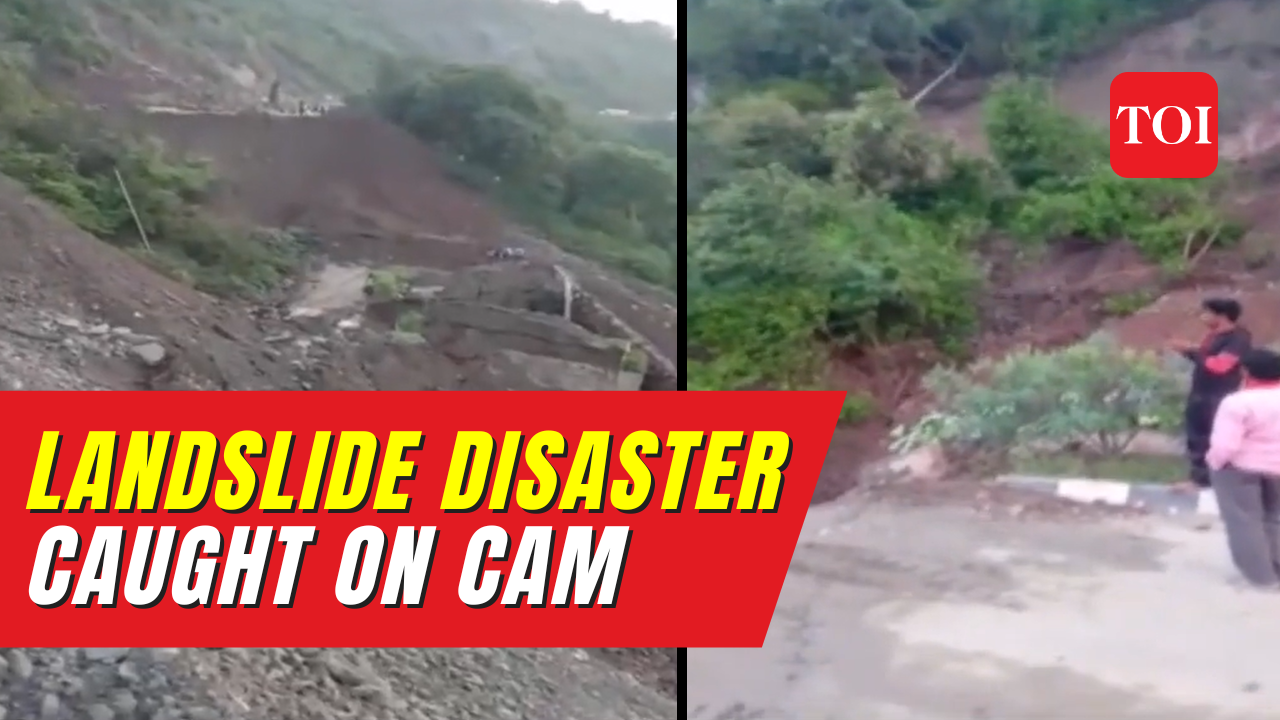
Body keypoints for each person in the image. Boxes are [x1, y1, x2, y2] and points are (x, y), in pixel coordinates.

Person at [1206, 347, 1280, 588]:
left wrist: (1214, 463)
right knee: (1275, 518)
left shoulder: (1237, 403)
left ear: (1246, 372)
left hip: (1240, 470)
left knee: (1245, 521)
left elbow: (1225, 445)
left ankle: (1261, 577)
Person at [1167, 297, 1252, 492]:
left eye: (1206, 313)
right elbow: (1206, 360)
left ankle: (1205, 481)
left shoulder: (1238, 338)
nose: (1202, 317)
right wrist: (1187, 351)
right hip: (1201, 394)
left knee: (1209, 439)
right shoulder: (1214, 336)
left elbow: (1220, 365)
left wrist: (1192, 351)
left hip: (1217, 397)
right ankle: (1202, 479)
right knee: (1196, 438)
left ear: (1221, 315)